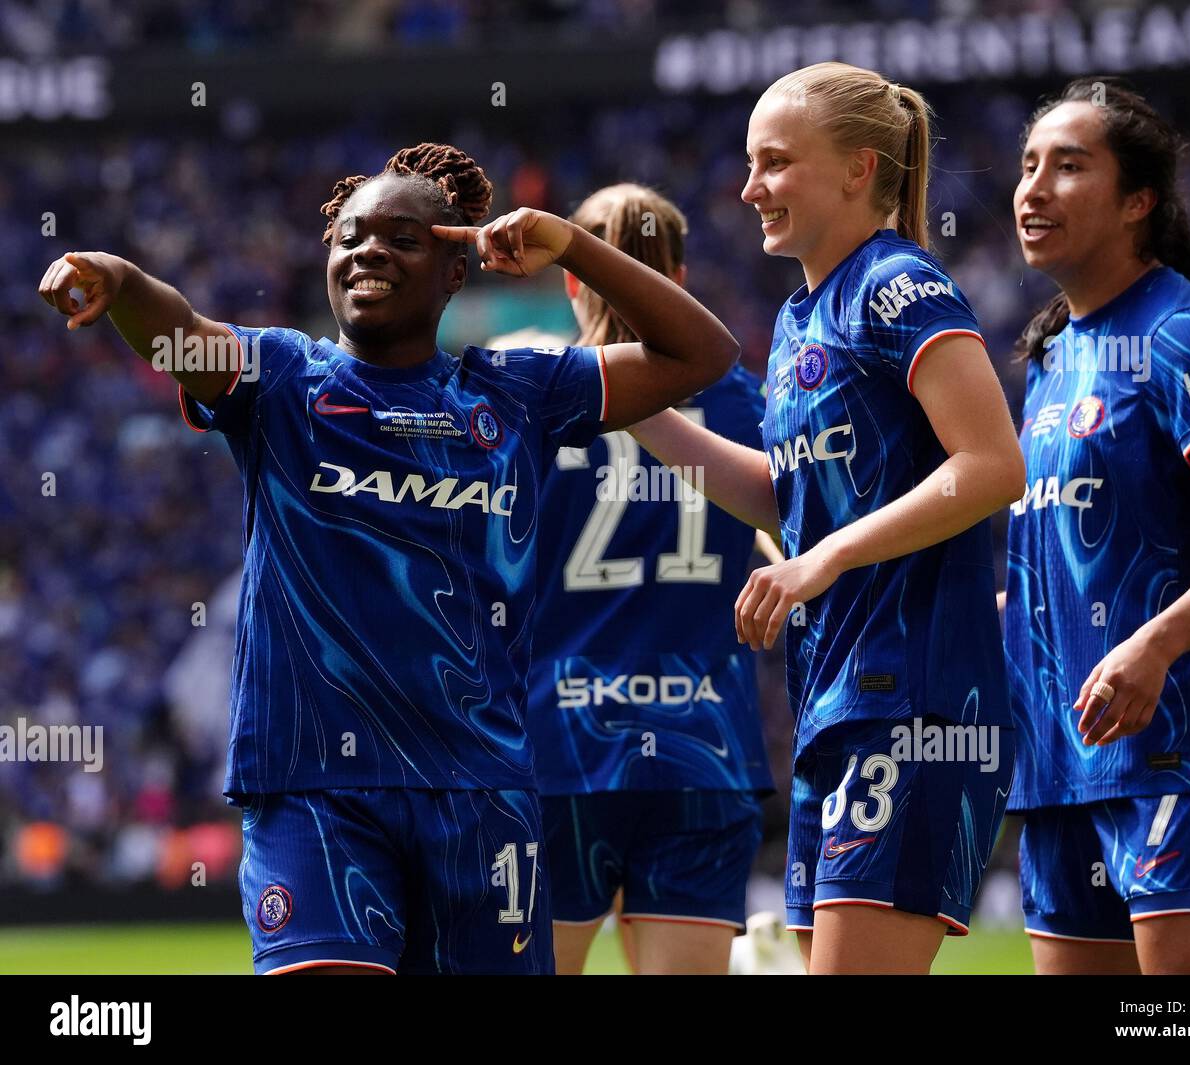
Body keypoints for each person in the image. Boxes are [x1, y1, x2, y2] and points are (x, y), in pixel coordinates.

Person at [38, 142, 739, 974]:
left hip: (482, 791)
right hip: (314, 791)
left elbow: (702, 356)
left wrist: (576, 247)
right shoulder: (282, 378)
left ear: (455, 270)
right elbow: (181, 338)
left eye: (404, 238)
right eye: (351, 237)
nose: (369, 249)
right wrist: (121, 279)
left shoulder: (516, 392)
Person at [625, 62, 1025, 974]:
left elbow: (995, 464)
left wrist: (822, 561)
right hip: (839, 702)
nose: (748, 187)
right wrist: (641, 409)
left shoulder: (898, 286)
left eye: (775, 163)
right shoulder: (804, 316)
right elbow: (789, 498)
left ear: (858, 169)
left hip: (917, 702)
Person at [1006, 78, 1190, 975]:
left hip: (1182, 748)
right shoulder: (1051, 356)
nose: (1033, 188)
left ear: (1138, 201)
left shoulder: (1187, 335)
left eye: (1069, 165)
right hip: (1060, 756)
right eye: (1027, 166)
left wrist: (1154, 647)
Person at [521, 184, 776, 975]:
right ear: (679, 280)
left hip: (555, 746)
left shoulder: (530, 397)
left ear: (573, 280)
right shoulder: (749, 402)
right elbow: (795, 533)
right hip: (703, 745)